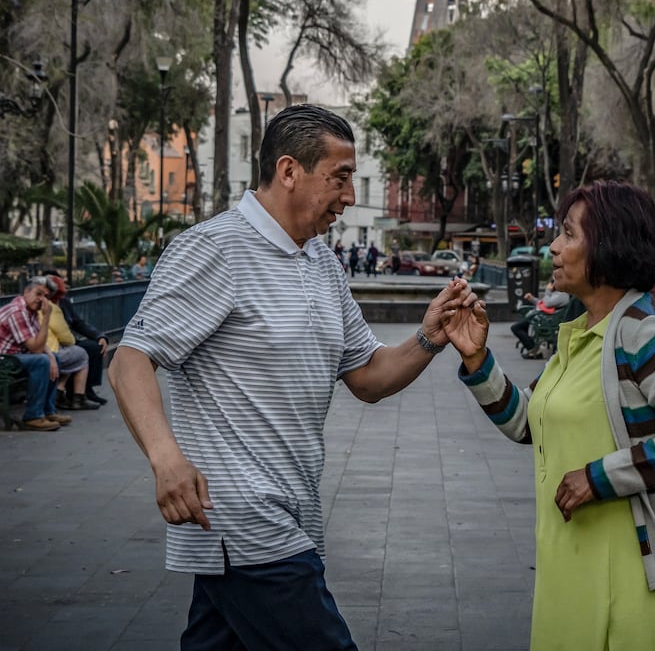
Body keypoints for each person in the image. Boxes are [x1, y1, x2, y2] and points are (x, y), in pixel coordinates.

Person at [108, 104, 477, 650]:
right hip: (244, 517)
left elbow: (369, 377)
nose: (350, 197)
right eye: (341, 178)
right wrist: (167, 460)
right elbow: (129, 360)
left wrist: (430, 337)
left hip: (289, 509)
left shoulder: (321, 264)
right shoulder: (214, 249)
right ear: (288, 171)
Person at [442, 180, 655, 651]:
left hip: (628, 561)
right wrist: (478, 360)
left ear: (609, 245)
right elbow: (525, 424)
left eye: (568, 234)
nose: (553, 247)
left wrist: (599, 478)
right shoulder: (578, 336)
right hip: (566, 553)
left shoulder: (646, 335)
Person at [0, 277, 71, 431]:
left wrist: (52, 357)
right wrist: (46, 317)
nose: (41, 299)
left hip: (9, 359)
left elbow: (40, 343)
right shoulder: (17, 311)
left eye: (46, 297)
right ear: (26, 292)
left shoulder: (30, 312)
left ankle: (48, 411)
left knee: (54, 358)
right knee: (41, 361)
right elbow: (36, 348)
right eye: (38, 294)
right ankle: (33, 416)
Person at [42, 273, 108, 409]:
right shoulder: (50, 307)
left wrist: (99, 336)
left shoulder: (63, 303)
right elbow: (64, 336)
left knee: (95, 347)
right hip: (58, 344)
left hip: (61, 342)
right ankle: (75, 395)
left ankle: (86, 389)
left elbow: (79, 323)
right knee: (80, 353)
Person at [510, 278, 570, 359]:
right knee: (519, 327)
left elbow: (548, 303)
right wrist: (532, 299)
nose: (551, 284)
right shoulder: (557, 293)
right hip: (541, 318)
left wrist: (547, 291)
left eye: (552, 282)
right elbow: (543, 303)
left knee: (516, 327)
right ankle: (533, 348)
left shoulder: (562, 294)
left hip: (546, 320)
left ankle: (533, 349)